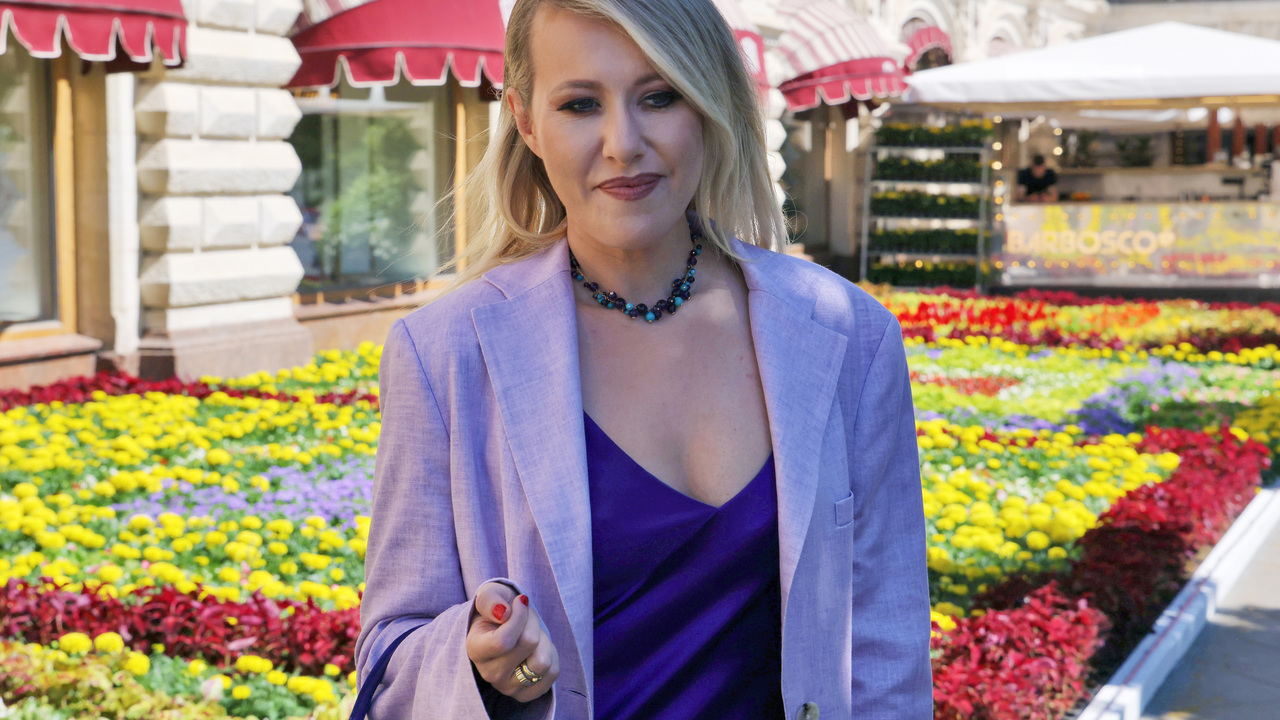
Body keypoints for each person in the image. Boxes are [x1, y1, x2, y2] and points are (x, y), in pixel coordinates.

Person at [354, 0, 932, 718]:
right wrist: (479, 666)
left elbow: (886, 652)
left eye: (659, 96)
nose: (623, 143)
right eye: (580, 104)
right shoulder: (443, 353)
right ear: (526, 122)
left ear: (712, 102)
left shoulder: (848, 336)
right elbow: (390, 658)